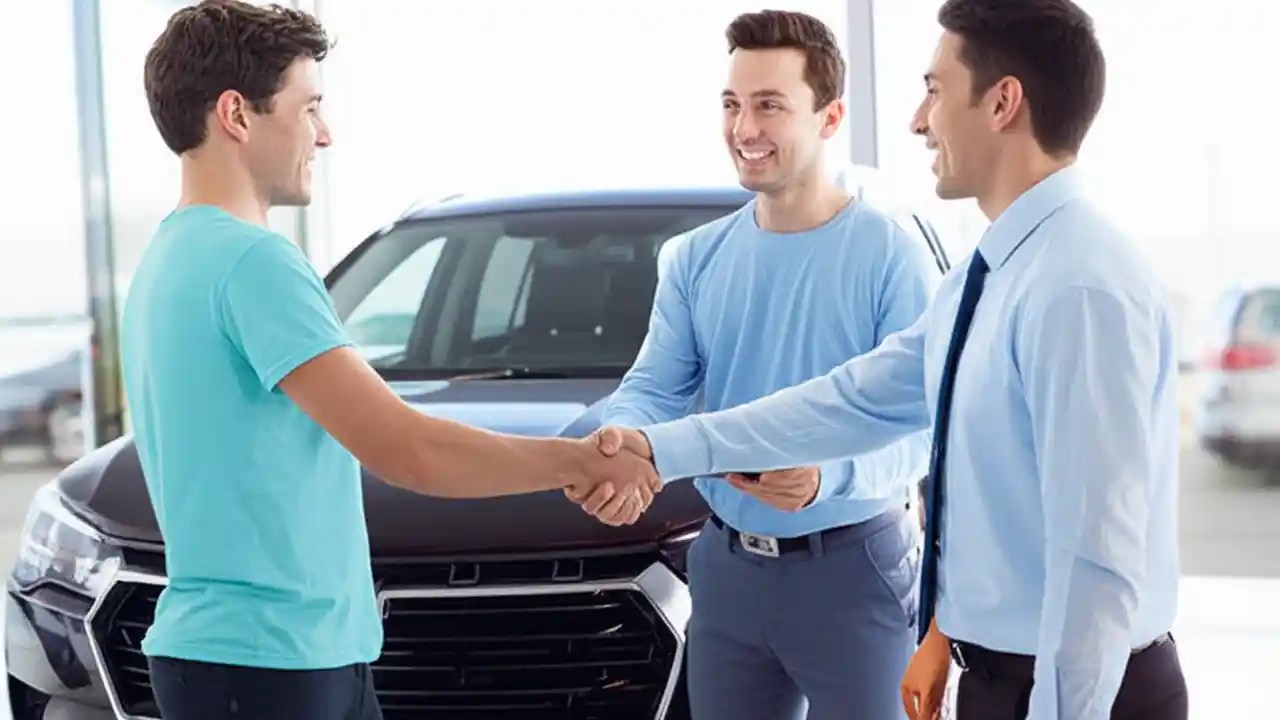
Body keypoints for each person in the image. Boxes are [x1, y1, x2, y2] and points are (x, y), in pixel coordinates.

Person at [588, 1, 1189, 719]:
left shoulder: (1078, 288)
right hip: (1000, 673)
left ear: (1002, 102)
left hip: (1074, 689)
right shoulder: (987, 275)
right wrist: (659, 446)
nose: (916, 120)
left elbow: (1097, 566)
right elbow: (850, 400)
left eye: (935, 90)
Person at [120, 3, 655, 718]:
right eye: (308, 107)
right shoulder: (254, 262)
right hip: (272, 665)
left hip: (252, 658)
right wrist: (581, 462)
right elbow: (408, 449)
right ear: (237, 115)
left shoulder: (170, 257)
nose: (324, 133)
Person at [572, 10, 937, 720]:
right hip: (727, 569)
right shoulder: (694, 258)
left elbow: (922, 432)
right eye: (733, 105)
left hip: (853, 567)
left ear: (830, 118)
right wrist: (620, 444)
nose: (744, 128)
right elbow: (654, 386)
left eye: (769, 105)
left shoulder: (891, 256)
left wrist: (828, 477)